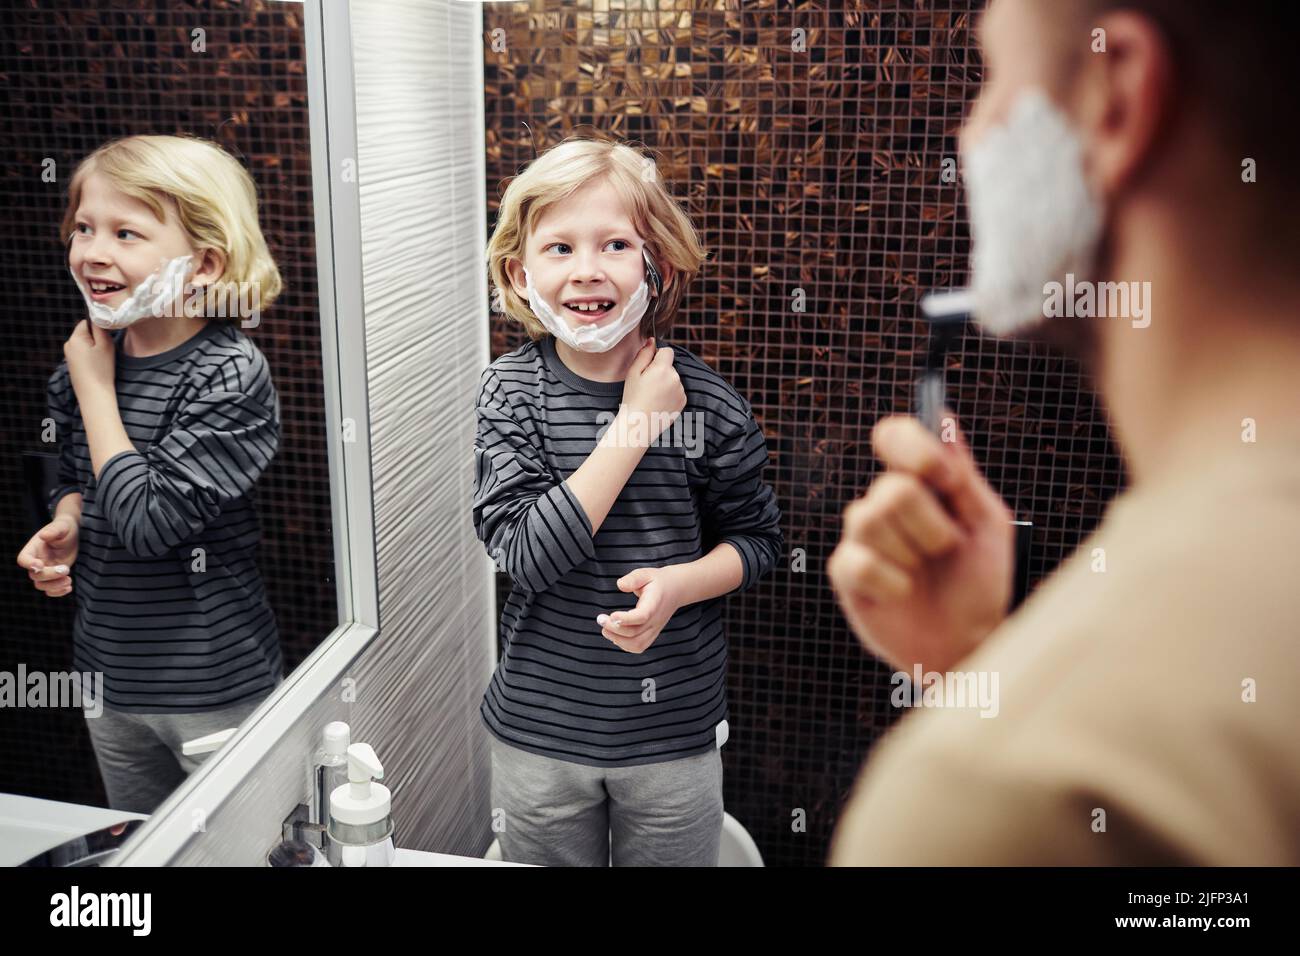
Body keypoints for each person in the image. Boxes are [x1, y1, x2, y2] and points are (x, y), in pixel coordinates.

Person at [828, 0, 1300, 864]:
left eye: (994, 74)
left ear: (1112, 97)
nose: (971, 132)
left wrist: (1009, 714)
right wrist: (976, 665)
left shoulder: (1008, 794)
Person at [476, 136, 784, 865]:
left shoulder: (709, 404)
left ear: (658, 265)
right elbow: (526, 555)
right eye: (558, 249)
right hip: (540, 733)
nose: (586, 271)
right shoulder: (511, 393)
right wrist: (636, 424)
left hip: (672, 735)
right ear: (520, 274)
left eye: (614, 243)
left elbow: (759, 542)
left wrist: (681, 585)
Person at [16, 134, 286, 814]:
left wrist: (96, 391)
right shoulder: (88, 357)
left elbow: (148, 523)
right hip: (108, 679)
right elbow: (75, 474)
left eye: (126, 232)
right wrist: (68, 521)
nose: (93, 251)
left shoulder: (226, 373)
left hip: (211, 686)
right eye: (83, 227)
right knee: (144, 846)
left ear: (204, 262)